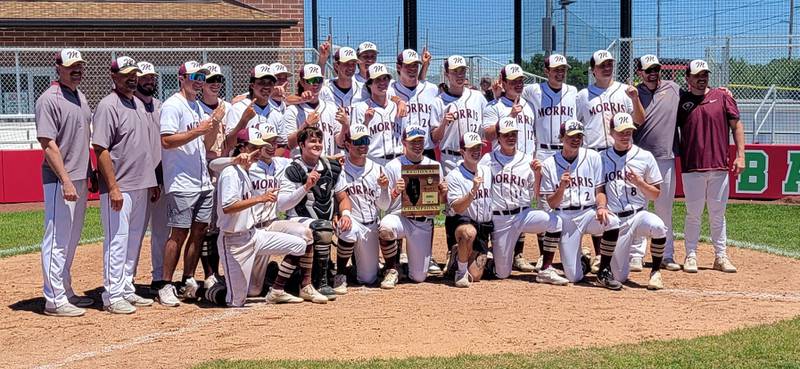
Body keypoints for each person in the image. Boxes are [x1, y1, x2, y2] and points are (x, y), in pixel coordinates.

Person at [204, 126, 327, 304]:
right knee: (250, 292)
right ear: (243, 147)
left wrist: (307, 185)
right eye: (258, 145)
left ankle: (284, 286)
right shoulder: (236, 169)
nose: (265, 147)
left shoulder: (279, 164)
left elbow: (306, 156)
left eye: (270, 142)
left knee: (303, 240)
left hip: (262, 230)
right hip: (239, 235)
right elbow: (213, 165)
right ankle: (209, 290)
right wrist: (234, 160)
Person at [92, 56, 160, 313]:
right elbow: (101, 149)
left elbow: (143, 147)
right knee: (117, 240)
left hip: (141, 184)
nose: (132, 78)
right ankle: (112, 294)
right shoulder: (108, 106)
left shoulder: (138, 105)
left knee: (133, 240)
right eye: (126, 74)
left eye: (134, 74)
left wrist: (151, 181)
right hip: (120, 185)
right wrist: (113, 187)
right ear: (114, 77)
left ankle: (126, 287)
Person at [155, 61, 224, 307]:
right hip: (182, 182)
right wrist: (199, 130)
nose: (199, 81)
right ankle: (164, 284)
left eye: (201, 78)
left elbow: (204, 145)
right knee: (179, 233)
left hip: (202, 180)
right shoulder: (173, 105)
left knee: (199, 232)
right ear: (181, 77)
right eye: (194, 76)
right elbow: (167, 141)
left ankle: (187, 279)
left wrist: (213, 125)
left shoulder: (197, 107)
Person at [36, 49, 95, 317]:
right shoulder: (49, 99)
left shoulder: (80, 96)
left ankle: (65, 289)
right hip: (62, 178)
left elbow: (83, 138)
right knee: (57, 237)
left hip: (80, 176)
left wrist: (90, 170)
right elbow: (48, 145)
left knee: (71, 238)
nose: (76, 70)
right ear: (58, 68)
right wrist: (66, 180)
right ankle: (53, 298)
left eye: (79, 66)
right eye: (71, 66)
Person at [576, 50, 646, 273]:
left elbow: (639, 120)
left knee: (627, 199)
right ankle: (599, 254)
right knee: (597, 203)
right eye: (602, 65)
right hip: (594, 154)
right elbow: (575, 125)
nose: (607, 68)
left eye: (610, 64)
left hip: (620, 151)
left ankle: (633, 253)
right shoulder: (582, 96)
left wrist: (635, 99)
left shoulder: (624, 92)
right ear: (593, 70)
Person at [677, 59, 744, 274]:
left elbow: (736, 125)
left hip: (719, 166)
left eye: (704, 74)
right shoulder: (681, 100)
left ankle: (720, 256)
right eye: (696, 75)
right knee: (693, 213)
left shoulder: (723, 96)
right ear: (687, 78)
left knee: (718, 213)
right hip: (692, 167)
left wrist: (740, 155)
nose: (701, 78)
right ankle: (691, 255)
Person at [539, 120, 622, 289]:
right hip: (565, 216)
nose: (576, 139)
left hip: (588, 213)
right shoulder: (549, 164)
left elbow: (599, 190)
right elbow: (552, 203)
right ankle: (582, 261)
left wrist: (601, 207)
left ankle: (604, 271)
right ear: (562, 137)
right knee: (574, 277)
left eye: (579, 136)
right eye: (571, 136)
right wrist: (561, 188)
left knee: (612, 221)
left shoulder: (592, 157)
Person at [480, 117, 563, 281]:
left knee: (555, 221)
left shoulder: (527, 160)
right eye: (506, 135)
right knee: (502, 274)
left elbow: (537, 193)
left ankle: (546, 268)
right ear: (498, 137)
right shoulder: (487, 160)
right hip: (500, 219)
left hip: (523, 215)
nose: (511, 138)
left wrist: (538, 174)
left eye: (514, 134)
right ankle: (489, 258)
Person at [518, 53, 579, 272]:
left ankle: (575, 250)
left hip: (569, 152)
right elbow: (513, 92)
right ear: (546, 71)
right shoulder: (533, 91)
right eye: (556, 69)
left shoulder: (574, 92)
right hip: (544, 152)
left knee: (571, 201)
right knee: (545, 206)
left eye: (563, 68)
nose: (560, 72)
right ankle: (546, 256)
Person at [279, 126, 354, 300]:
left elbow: (343, 197)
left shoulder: (332, 167)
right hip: (297, 219)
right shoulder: (293, 169)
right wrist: (306, 187)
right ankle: (321, 280)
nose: (317, 144)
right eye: (312, 141)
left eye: (319, 141)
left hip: (324, 221)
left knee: (341, 227)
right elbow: (283, 205)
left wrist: (345, 215)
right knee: (322, 228)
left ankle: (332, 272)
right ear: (301, 145)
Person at [601, 113, 668, 290]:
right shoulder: (601, 158)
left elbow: (655, 195)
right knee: (619, 276)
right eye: (621, 132)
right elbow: (598, 190)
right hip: (615, 221)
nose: (625, 136)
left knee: (659, 226)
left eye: (629, 132)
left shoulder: (645, 156)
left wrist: (639, 182)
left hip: (638, 215)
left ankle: (655, 272)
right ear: (612, 132)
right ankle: (589, 260)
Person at [629, 55, 682, 272]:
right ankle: (636, 255)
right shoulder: (631, 93)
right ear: (639, 72)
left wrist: (721, 92)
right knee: (637, 208)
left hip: (665, 157)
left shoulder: (674, 89)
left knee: (664, 208)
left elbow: (698, 94)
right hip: (639, 159)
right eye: (648, 69)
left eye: (656, 69)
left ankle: (667, 255)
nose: (653, 73)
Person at [378, 125, 447, 287]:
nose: (417, 144)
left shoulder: (434, 166)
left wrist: (443, 193)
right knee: (386, 227)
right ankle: (391, 268)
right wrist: (394, 191)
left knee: (418, 277)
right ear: (403, 142)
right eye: (412, 141)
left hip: (422, 222)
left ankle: (409, 265)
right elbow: (384, 205)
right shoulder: (393, 166)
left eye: (420, 141)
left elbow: (441, 204)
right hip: (400, 217)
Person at [333, 124, 392, 293]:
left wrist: (384, 188)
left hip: (371, 223)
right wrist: (337, 214)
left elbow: (384, 206)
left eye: (365, 140)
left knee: (368, 278)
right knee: (347, 228)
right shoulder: (340, 167)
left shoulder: (377, 168)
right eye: (358, 141)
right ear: (348, 144)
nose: (362, 145)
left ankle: (355, 267)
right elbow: (337, 196)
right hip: (352, 220)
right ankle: (340, 274)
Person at [134, 61, 169, 290]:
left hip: (161, 177)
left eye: (152, 77)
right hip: (137, 179)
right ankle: (127, 280)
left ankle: (158, 277)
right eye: (144, 77)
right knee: (134, 233)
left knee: (161, 231)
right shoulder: (129, 105)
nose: (149, 81)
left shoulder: (161, 106)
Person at [198, 62, 232, 288]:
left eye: (219, 80)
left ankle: (220, 271)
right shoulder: (196, 108)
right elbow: (203, 143)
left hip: (224, 168)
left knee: (221, 224)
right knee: (206, 225)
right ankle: (209, 273)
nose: (216, 84)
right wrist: (215, 121)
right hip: (204, 167)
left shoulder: (227, 106)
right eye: (211, 81)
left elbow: (229, 141)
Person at [445, 132, 493, 287]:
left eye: (478, 147)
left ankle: (457, 258)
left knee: (476, 275)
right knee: (468, 233)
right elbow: (457, 208)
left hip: (483, 227)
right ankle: (460, 272)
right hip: (462, 224)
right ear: (462, 152)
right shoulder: (454, 176)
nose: (476, 151)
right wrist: (472, 192)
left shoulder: (487, 170)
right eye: (471, 148)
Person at [431, 55, 488, 175]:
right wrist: (443, 124)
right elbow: (434, 138)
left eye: (462, 71)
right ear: (447, 75)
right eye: (455, 71)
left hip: (474, 157)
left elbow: (488, 125)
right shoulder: (438, 102)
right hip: (450, 159)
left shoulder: (478, 97)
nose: (459, 75)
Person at [350, 63, 405, 166]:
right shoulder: (361, 108)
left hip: (398, 160)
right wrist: (366, 122)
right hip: (374, 161)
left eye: (385, 79)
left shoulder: (397, 107)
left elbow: (405, 136)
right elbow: (356, 141)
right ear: (369, 84)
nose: (382, 83)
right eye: (378, 80)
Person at [389, 49, 440, 160]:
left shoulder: (432, 89)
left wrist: (425, 65)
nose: (412, 69)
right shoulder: (390, 89)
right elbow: (386, 95)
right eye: (408, 65)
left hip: (426, 151)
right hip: (401, 152)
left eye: (415, 65)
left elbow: (420, 83)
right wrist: (398, 100)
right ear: (398, 67)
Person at [283, 64, 342, 158]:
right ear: (302, 82)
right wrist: (306, 124)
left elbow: (340, 142)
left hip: (328, 165)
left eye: (319, 80)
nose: (316, 84)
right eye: (311, 80)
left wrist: (346, 126)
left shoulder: (331, 108)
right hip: (302, 166)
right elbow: (290, 144)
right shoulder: (293, 110)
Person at [226, 65, 285, 157]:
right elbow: (229, 144)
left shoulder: (277, 113)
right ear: (252, 85)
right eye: (262, 82)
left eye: (270, 83)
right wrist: (244, 120)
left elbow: (282, 145)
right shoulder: (238, 108)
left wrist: (267, 160)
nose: (266, 86)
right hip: (243, 165)